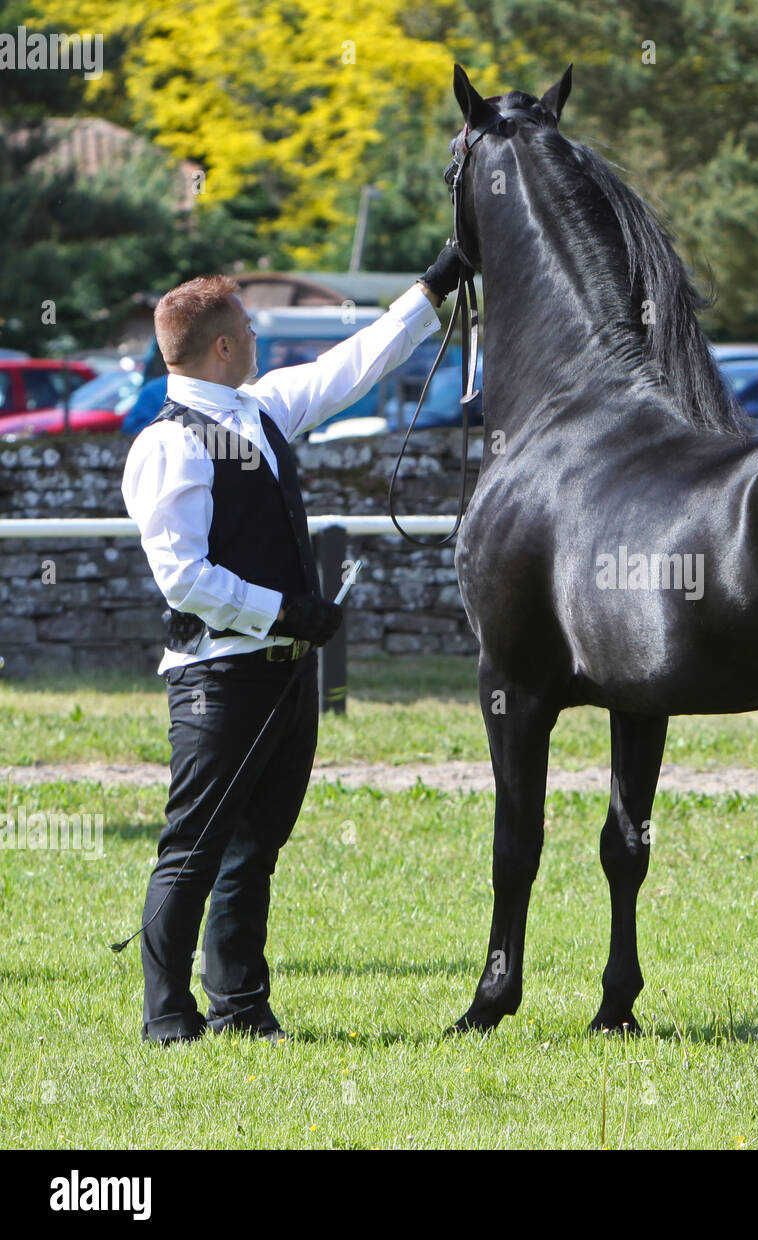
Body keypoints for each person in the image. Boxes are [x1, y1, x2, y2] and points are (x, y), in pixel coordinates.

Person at [121, 247, 470, 1044]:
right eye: (247, 327)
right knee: (194, 850)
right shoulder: (168, 443)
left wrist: (433, 288)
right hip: (216, 679)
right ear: (220, 346)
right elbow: (183, 579)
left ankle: (241, 1006)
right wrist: (282, 612)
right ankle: (168, 1017)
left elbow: (355, 365)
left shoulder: (261, 408)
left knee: (255, 850)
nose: (258, 338)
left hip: (283, 676)